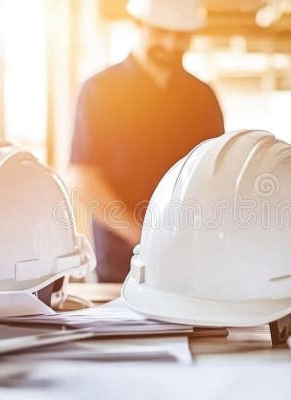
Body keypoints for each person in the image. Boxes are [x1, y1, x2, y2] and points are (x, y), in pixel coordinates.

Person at [69, 0, 224, 283]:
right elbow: (84, 180)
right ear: (138, 25)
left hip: (188, 264)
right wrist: (140, 236)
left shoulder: (203, 98)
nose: (170, 43)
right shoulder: (99, 91)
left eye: (181, 35)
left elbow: (216, 177)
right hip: (119, 267)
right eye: (161, 31)